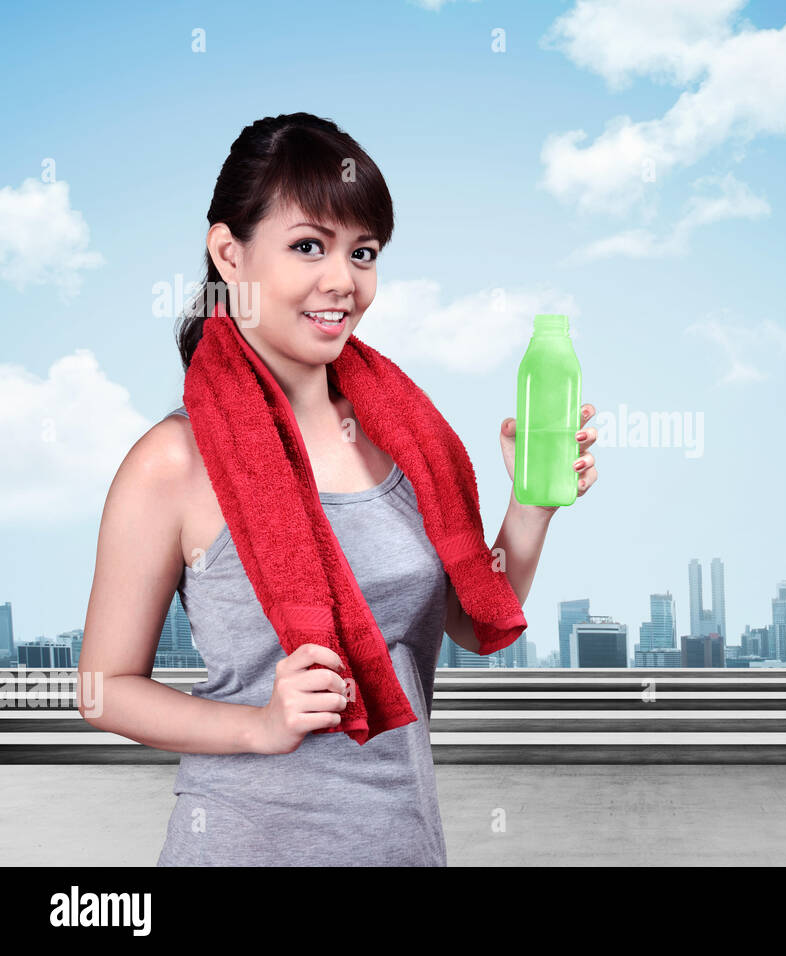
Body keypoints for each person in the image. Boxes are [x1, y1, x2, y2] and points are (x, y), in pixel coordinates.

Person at [77, 112, 599, 865]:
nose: (342, 282)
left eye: (363, 253)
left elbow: (464, 620)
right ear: (229, 252)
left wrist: (531, 505)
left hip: (401, 842)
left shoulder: (403, 435)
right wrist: (258, 725)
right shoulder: (174, 461)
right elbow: (103, 689)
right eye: (307, 247)